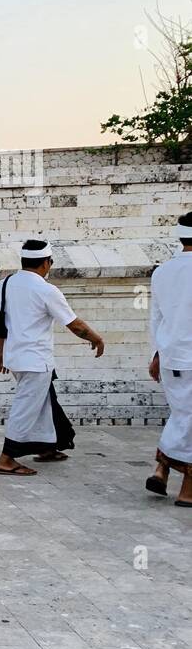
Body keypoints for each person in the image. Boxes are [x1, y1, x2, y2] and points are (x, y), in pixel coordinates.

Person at [0, 239, 105, 476]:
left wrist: (2, 352)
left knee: (44, 402)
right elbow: (74, 323)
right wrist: (96, 338)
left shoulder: (3, 285)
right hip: (35, 360)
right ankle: (7, 459)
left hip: (16, 358)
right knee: (27, 407)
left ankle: (47, 448)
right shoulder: (45, 289)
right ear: (46, 263)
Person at [147, 212, 192, 506]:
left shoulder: (161, 272)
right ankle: (187, 491)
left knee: (181, 414)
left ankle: (162, 468)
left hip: (172, 357)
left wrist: (155, 354)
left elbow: (156, 318)